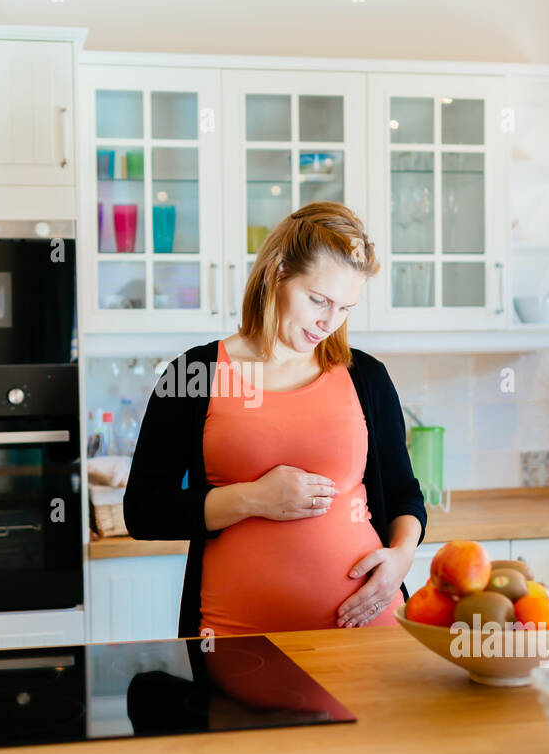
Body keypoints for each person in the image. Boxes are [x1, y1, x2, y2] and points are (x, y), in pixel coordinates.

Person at [122, 201, 428, 638]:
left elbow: (403, 493)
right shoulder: (194, 376)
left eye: (345, 308)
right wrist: (253, 499)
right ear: (277, 273)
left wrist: (400, 557)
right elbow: (144, 512)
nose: (328, 322)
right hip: (233, 642)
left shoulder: (366, 377)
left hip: (368, 636)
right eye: (318, 300)